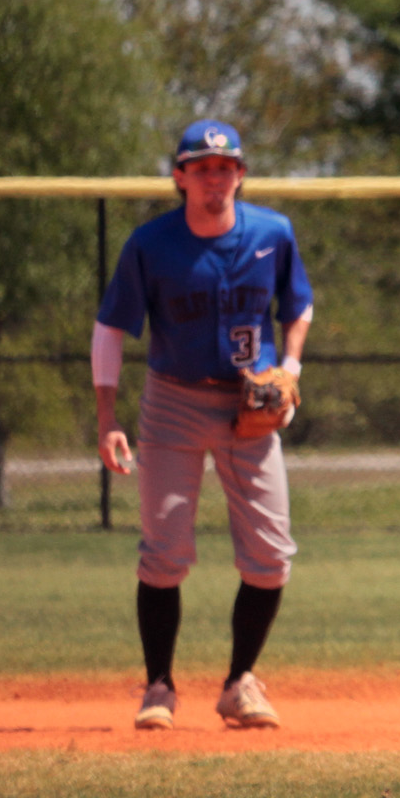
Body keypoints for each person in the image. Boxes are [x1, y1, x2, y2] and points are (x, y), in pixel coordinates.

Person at [93, 120, 313, 731]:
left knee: (270, 555)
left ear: (240, 174)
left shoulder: (273, 233)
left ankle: (240, 683)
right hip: (173, 402)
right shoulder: (151, 243)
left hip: (252, 408)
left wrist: (290, 368)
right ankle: (158, 688)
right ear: (180, 176)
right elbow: (111, 328)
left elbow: (298, 306)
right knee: (163, 553)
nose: (215, 177)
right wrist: (108, 416)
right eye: (202, 167)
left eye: (226, 167)